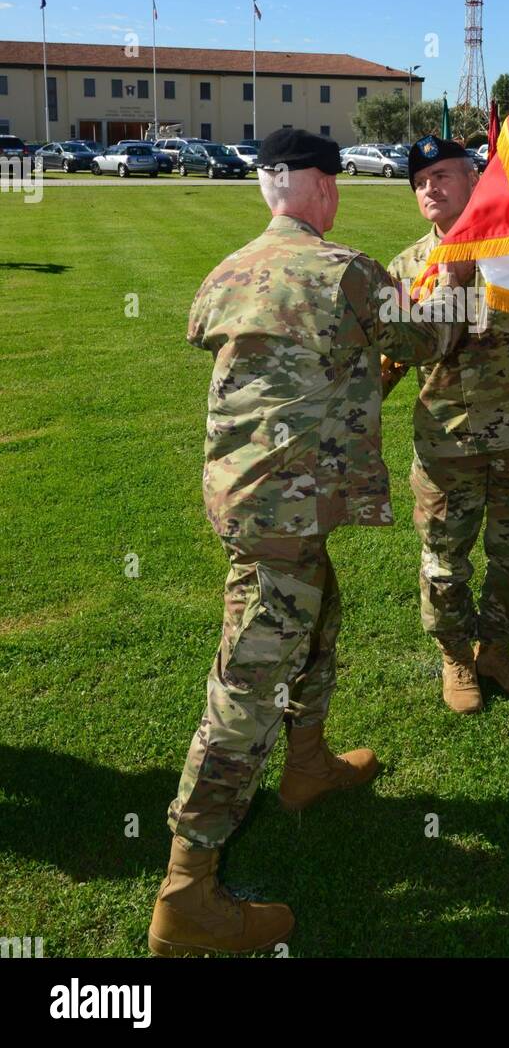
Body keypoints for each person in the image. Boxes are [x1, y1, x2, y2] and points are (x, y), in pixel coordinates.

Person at [148, 129, 471, 957]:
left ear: (268, 190)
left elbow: (225, 348)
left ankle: (308, 767)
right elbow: (426, 339)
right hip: (280, 516)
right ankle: (188, 894)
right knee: (244, 691)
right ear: (323, 190)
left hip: (253, 502)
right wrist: (461, 280)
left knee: (319, 611)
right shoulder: (347, 272)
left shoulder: (225, 273)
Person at [382, 135, 509, 714]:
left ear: (472, 180)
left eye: (441, 175)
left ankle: (498, 648)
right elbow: (394, 359)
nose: (429, 189)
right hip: (447, 439)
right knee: (444, 559)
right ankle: (456, 656)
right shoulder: (407, 270)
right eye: (419, 183)